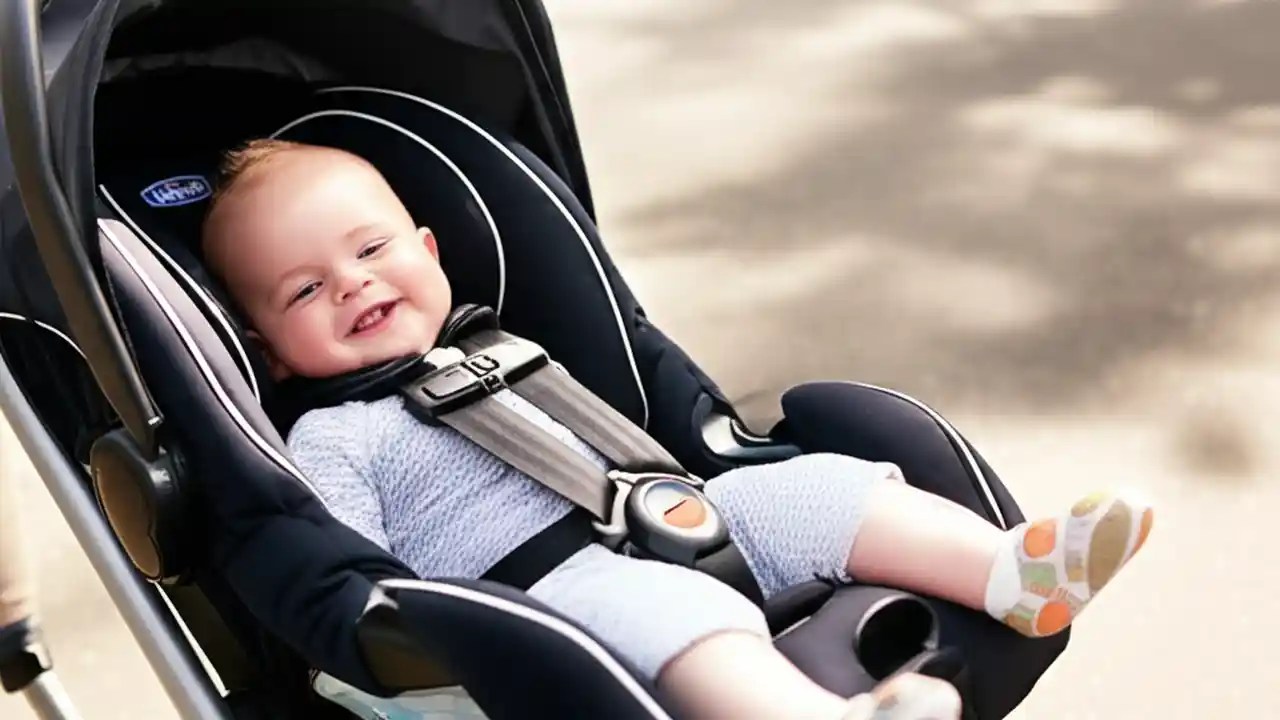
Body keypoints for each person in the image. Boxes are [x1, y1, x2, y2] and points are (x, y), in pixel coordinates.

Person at [199, 139, 1153, 720]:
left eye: (369, 250)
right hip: (548, 594)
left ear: (429, 250)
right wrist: (413, 632)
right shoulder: (334, 437)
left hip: (678, 514)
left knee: (816, 488)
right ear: (272, 353)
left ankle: (1011, 575)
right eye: (306, 289)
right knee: (672, 619)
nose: (354, 283)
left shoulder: (510, 349)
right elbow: (351, 565)